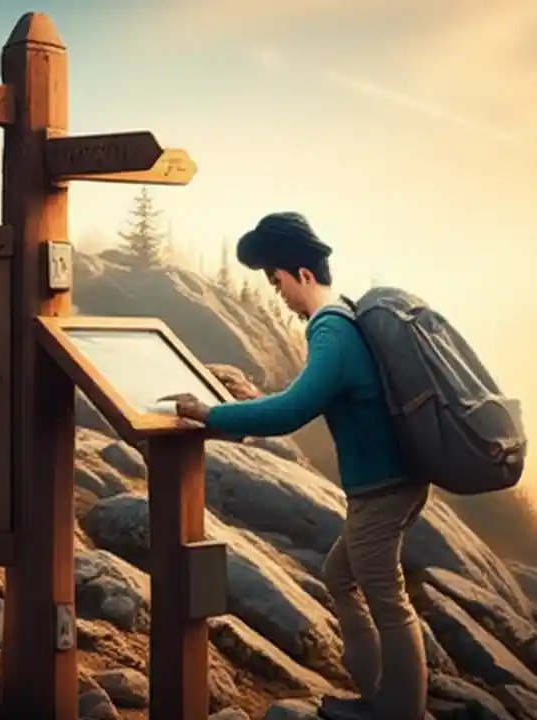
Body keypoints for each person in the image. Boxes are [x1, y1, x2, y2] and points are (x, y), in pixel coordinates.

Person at [160, 211, 430, 720]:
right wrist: (255, 401)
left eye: (276, 280)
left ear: (302, 275)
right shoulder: (348, 319)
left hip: (382, 489)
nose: (276, 294)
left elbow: (291, 412)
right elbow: (319, 398)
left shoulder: (330, 330)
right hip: (396, 483)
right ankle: (379, 695)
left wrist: (210, 414)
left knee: (387, 598)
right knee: (341, 574)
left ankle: (397, 710)